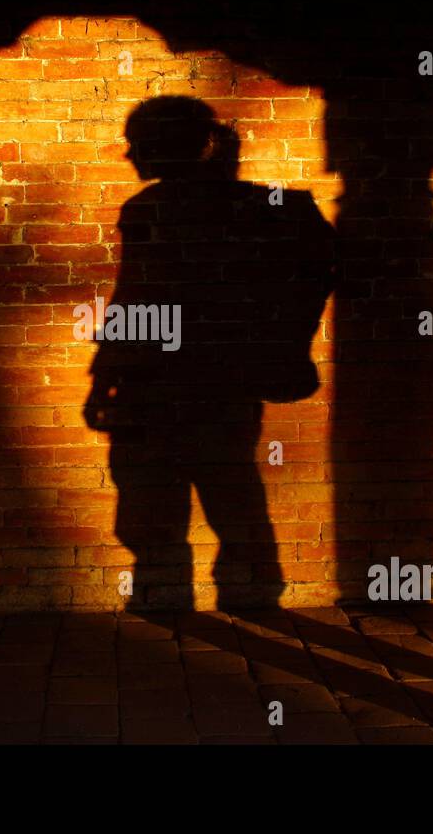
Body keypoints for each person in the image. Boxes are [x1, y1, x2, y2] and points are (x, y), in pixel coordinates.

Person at [84, 96, 337, 611]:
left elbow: (134, 300)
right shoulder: (257, 207)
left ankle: (166, 598)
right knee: (231, 489)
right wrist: (279, 339)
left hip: (153, 383)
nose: (130, 155)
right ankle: (252, 593)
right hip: (227, 381)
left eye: (138, 144)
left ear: (163, 148)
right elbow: (327, 265)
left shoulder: (149, 210)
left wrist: (103, 380)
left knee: (153, 500)